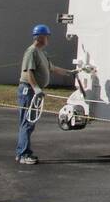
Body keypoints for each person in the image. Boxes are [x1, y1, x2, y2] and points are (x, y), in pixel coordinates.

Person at [17, 24, 75, 166]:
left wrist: (70, 72)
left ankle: (23, 152)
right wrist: (36, 88)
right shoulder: (31, 52)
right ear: (40, 37)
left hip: (34, 91)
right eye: (47, 36)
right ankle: (23, 154)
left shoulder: (42, 53)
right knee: (27, 122)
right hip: (28, 91)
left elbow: (52, 68)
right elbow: (28, 72)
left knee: (29, 123)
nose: (48, 39)